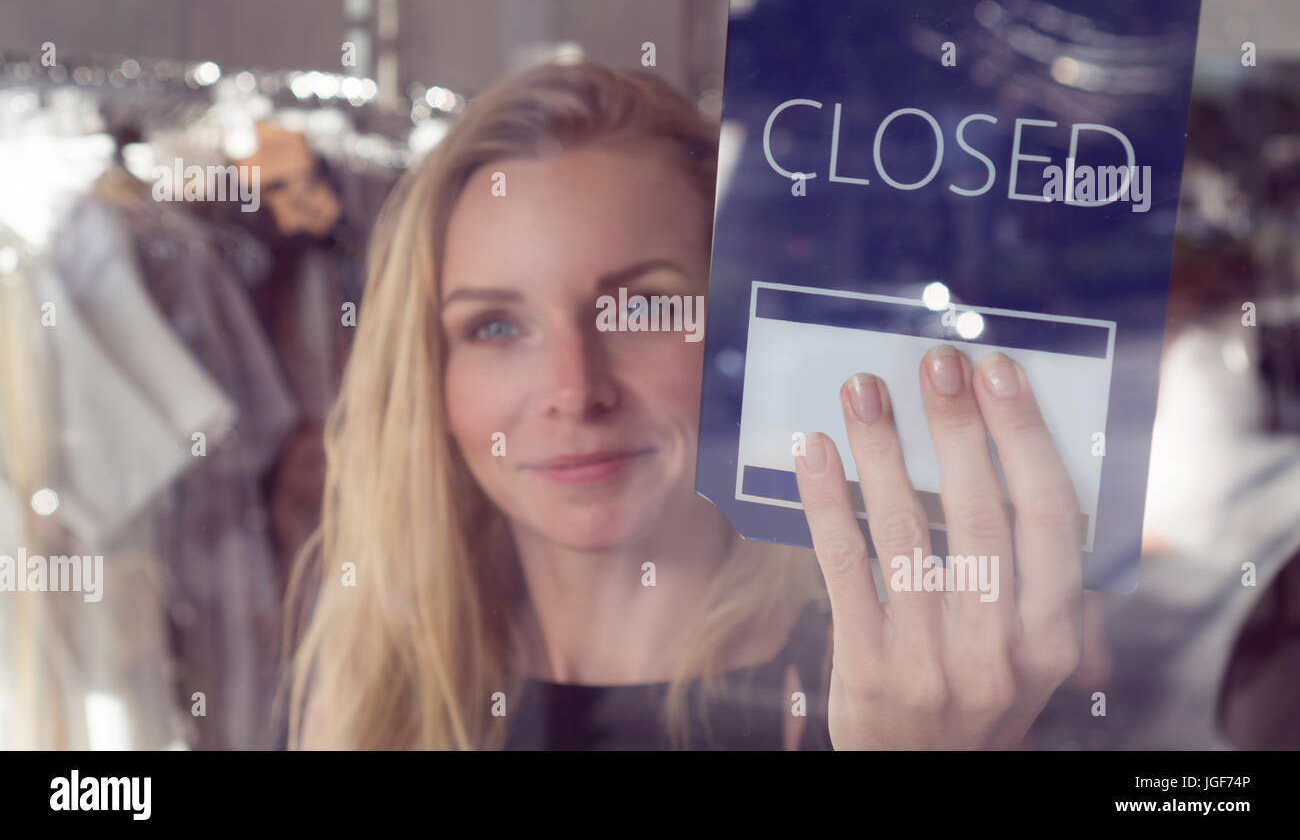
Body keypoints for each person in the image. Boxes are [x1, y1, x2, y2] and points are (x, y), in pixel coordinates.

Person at [284, 60, 1088, 750]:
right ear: (430, 375)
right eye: (495, 326)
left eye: (641, 307)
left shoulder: (912, 692)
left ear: (739, 327)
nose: (575, 389)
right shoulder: (373, 703)